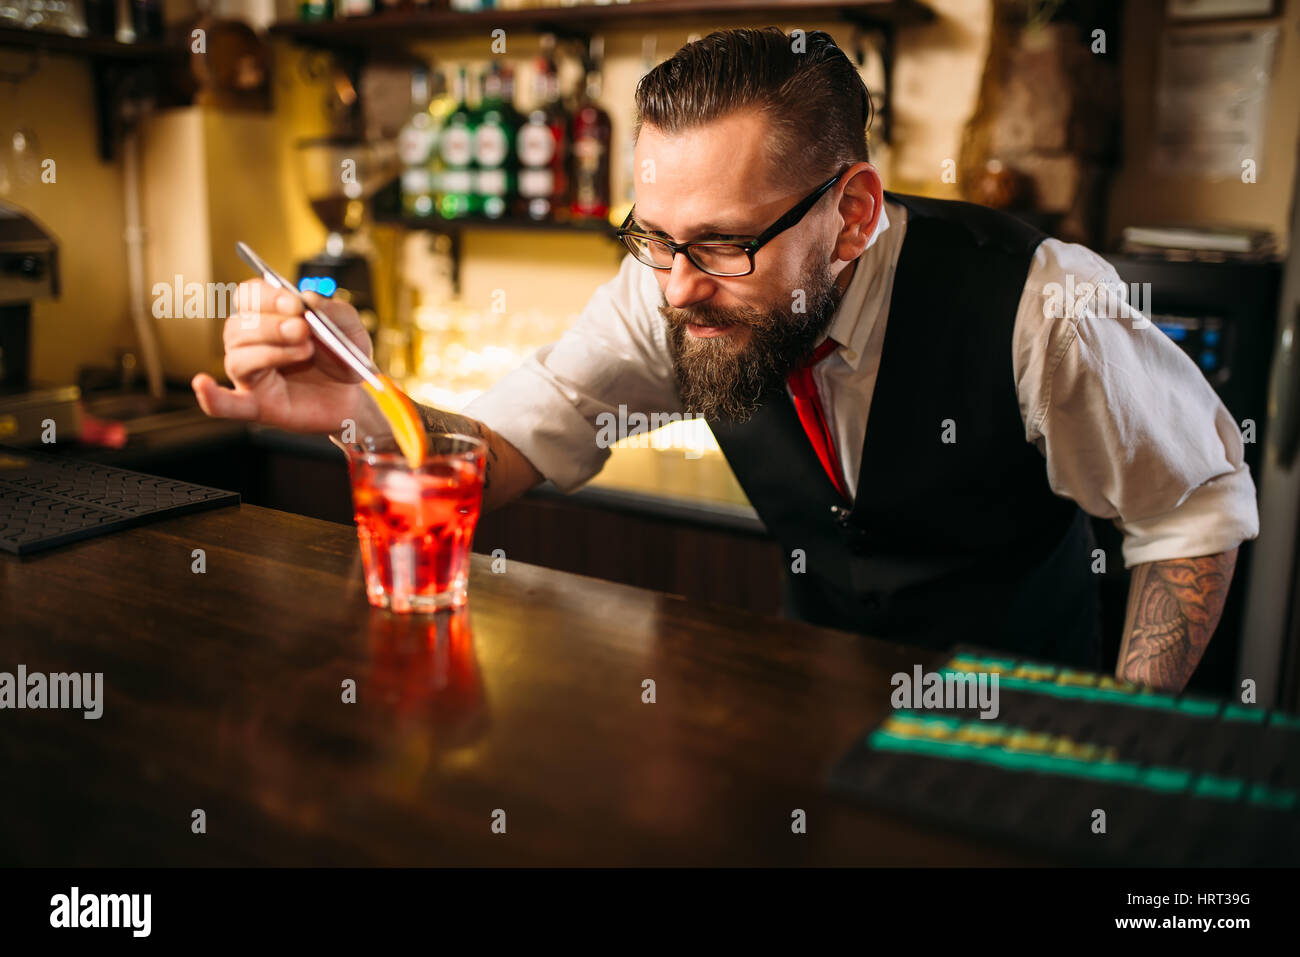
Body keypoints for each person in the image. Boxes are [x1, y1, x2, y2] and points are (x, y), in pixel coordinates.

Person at [193, 28, 1258, 693]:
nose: (676, 286)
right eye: (651, 237)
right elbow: (513, 442)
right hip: (818, 700)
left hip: (1023, 713)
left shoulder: (1037, 303)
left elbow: (1191, 509)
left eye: (722, 244)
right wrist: (358, 407)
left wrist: (1126, 737)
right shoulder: (673, 286)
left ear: (850, 214)